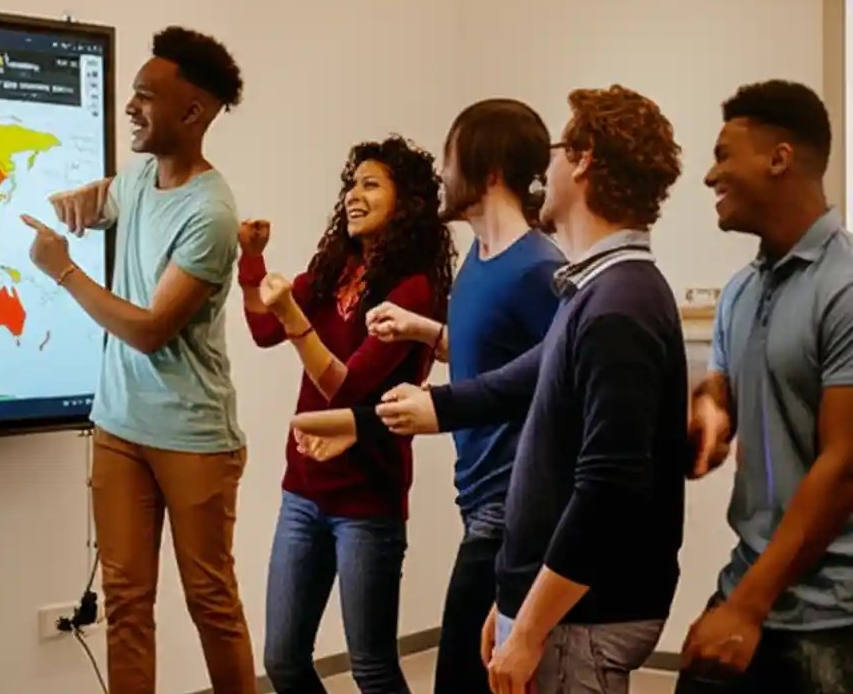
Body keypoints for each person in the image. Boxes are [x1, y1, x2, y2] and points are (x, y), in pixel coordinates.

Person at [294, 84, 688, 694]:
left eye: (558, 150)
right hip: (530, 560)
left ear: (582, 161)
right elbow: (516, 379)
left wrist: (527, 623)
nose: (544, 169)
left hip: (580, 600)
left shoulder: (616, 302)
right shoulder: (599, 291)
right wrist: (371, 420)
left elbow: (606, 486)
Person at [22, 26, 255, 694]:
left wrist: (63, 272)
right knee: (126, 604)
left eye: (145, 97)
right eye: (132, 93)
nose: (130, 106)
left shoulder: (211, 213)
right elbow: (115, 199)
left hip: (192, 438)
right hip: (119, 430)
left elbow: (152, 329)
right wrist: (84, 203)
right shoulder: (139, 177)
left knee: (210, 603)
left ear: (193, 113)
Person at [238, 135, 455, 693]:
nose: (354, 195)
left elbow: (344, 385)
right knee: (283, 661)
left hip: (368, 498)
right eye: (351, 184)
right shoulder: (336, 268)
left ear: (404, 201)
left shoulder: (413, 288)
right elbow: (265, 329)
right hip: (303, 492)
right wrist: (252, 260)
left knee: (372, 668)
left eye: (371, 183)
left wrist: (291, 314)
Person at [362, 100, 565, 694]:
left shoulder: (540, 269)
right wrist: (426, 331)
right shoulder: (478, 261)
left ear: (490, 169)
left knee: (459, 677)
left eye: (451, 159)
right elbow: (499, 354)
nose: (444, 175)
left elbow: (555, 374)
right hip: (478, 504)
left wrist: (440, 409)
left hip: (512, 512)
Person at [678, 80, 853, 693]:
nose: (709, 175)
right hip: (747, 580)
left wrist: (747, 609)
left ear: (780, 158)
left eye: (725, 154)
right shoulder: (740, 293)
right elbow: (718, 401)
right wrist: (705, 414)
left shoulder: (846, 287)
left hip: (832, 616)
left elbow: (845, 464)